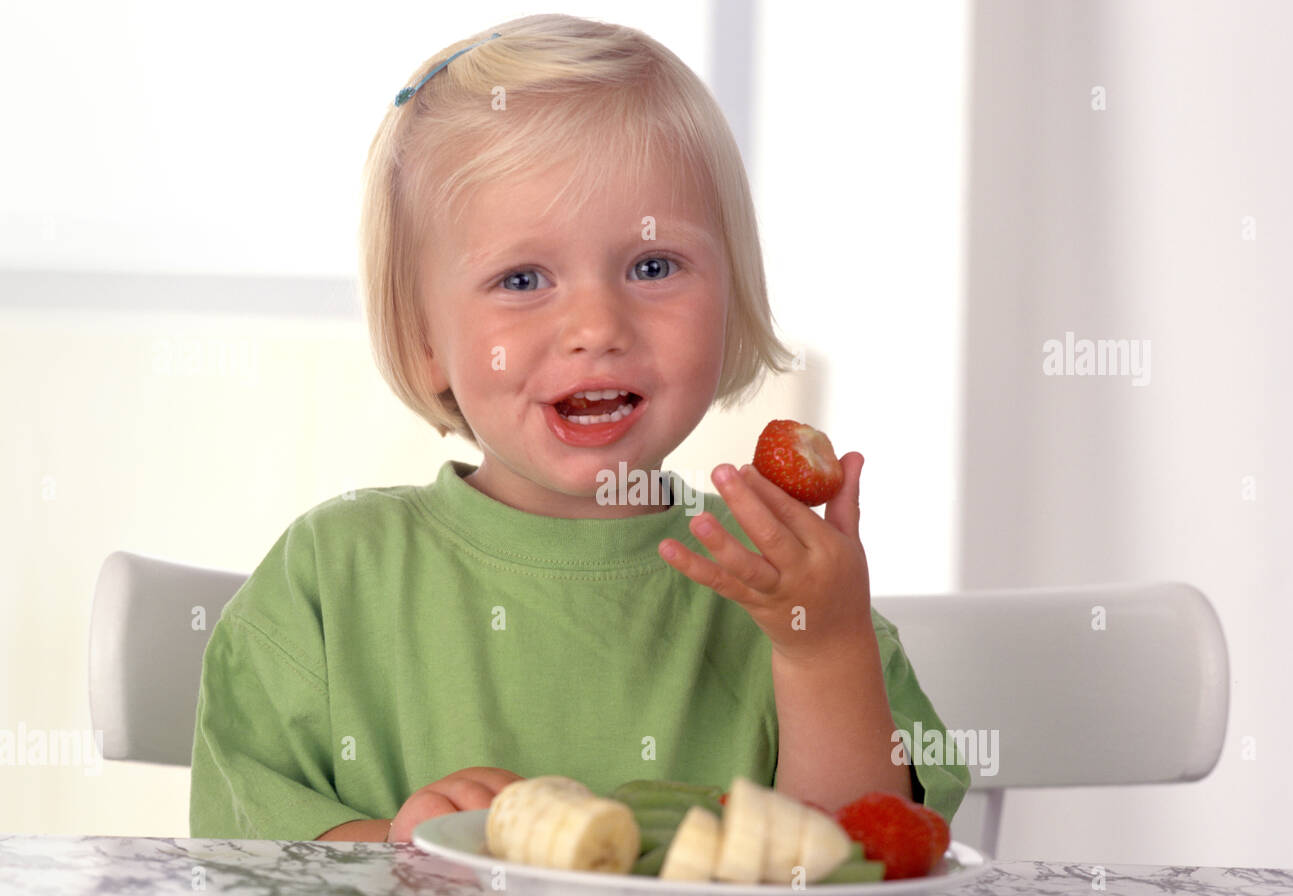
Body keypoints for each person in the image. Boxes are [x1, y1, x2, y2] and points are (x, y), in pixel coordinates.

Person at [189, 13, 970, 845]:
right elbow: (245, 864)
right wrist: (394, 848)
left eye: (652, 266)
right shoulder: (330, 579)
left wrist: (823, 649)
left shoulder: (786, 592)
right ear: (427, 344)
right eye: (522, 278)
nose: (597, 324)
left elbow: (856, 866)